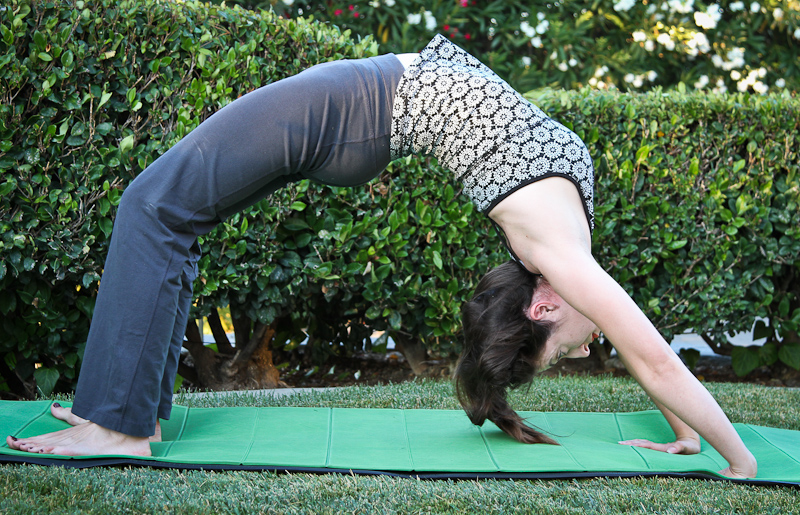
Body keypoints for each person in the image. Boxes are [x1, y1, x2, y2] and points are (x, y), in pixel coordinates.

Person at [7, 35, 756, 479]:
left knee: (154, 205)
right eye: (572, 347)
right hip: (350, 110)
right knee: (169, 210)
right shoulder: (565, 247)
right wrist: (713, 444)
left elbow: (647, 351)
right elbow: (653, 354)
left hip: (348, 112)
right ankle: (127, 409)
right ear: (545, 304)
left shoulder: (556, 249)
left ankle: (119, 424)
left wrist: (725, 452)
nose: (597, 345)